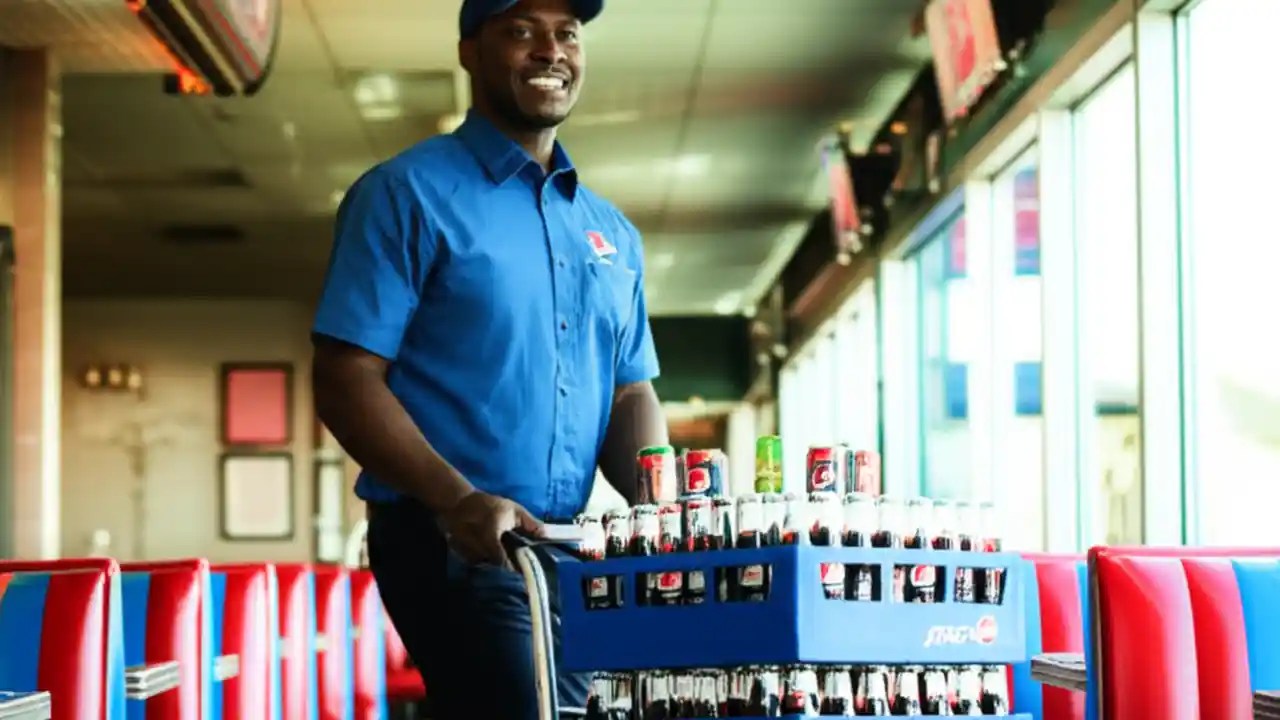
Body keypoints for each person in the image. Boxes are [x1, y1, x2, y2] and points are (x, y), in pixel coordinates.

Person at [309, 0, 669, 716]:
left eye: (567, 33)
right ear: (470, 51)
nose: (550, 50)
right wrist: (456, 500)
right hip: (452, 536)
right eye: (521, 30)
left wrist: (667, 510)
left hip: (566, 548)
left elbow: (630, 393)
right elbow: (346, 377)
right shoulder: (405, 194)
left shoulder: (609, 232)